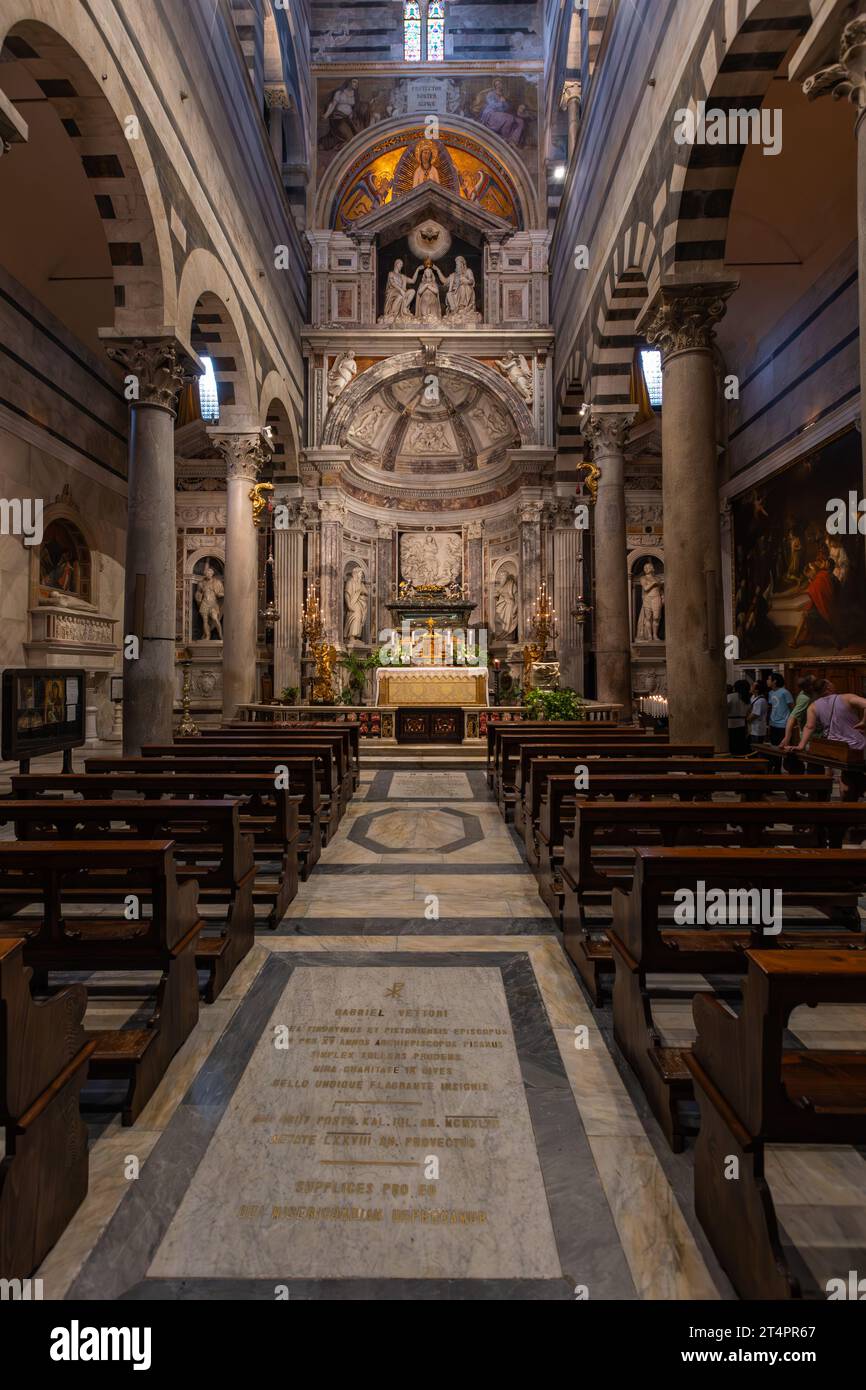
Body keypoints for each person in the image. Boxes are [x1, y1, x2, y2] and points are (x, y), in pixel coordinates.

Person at [795, 678, 866, 799]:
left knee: (846, 777)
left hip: (835, 748)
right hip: (857, 747)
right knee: (852, 776)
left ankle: (847, 804)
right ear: (828, 686)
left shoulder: (813, 706)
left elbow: (809, 726)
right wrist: (864, 722)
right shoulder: (846, 698)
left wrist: (801, 745)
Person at [780, 675, 815, 752]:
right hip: (809, 738)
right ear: (808, 687)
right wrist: (787, 737)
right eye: (814, 683)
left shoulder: (808, 693)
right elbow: (792, 717)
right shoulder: (805, 698)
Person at [767, 671, 794, 746]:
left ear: (774, 681)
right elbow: (772, 707)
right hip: (773, 723)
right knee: (773, 745)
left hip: (783, 724)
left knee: (782, 746)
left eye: (769, 679)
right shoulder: (770, 693)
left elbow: (792, 707)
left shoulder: (785, 692)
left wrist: (791, 722)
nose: (767, 681)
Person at [727, 678, 752, 755]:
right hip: (742, 724)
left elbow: (724, 709)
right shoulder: (747, 699)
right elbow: (748, 712)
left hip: (730, 724)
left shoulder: (730, 696)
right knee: (740, 747)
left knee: (732, 746)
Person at [747, 678, 769, 751]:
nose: (751, 687)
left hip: (758, 729)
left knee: (756, 748)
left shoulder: (761, 700)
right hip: (752, 728)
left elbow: (755, 714)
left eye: (752, 686)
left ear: (757, 690)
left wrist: (746, 720)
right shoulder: (753, 697)